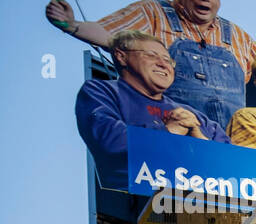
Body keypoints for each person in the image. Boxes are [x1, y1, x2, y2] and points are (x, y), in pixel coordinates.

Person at [48, 0, 256, 129]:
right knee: (173, 186)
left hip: (231, 148)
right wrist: (72, 25)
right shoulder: (152, 13)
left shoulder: (238, 36)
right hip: (174, 134)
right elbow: (111, 35)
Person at [75, 30, 230, 190]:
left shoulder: (191, 114)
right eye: (151, 55)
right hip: (136, 204)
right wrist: (168, 131)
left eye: (168, 60)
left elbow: (232, 162)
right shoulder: (101, 92)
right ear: (121, 57)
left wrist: (197, 136)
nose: (163, 64)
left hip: (198, 204)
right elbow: (111, 141)